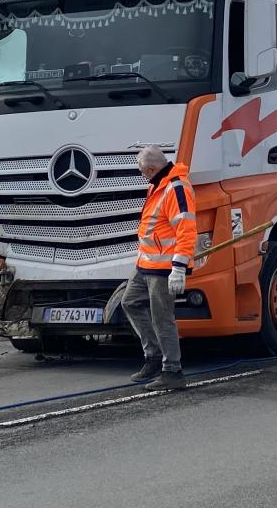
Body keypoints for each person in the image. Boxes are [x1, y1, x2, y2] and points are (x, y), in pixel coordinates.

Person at [122, 145, 197, 391]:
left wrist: (178, 267)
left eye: (143, 171)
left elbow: (186, 229)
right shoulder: (158, 184)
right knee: (130, 302)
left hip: (164, 267)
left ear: (152, 168)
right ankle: (154, 357)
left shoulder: (175, 188)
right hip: (146, 263)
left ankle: (172, 371)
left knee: (162, 318)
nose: (142, 175)